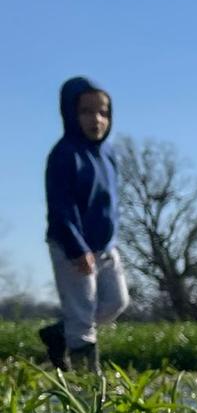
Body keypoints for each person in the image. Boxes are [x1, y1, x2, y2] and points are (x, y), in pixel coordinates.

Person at [41, 77, 129, 374]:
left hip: (105, 247)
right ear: (70, 113)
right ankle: (87, 384)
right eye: (87, 112)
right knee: (82, 317)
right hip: (72, 248)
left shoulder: (109, 155)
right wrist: (77, 248)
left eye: (103, 112)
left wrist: (110, 241)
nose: (96, 119)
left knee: (116, 302)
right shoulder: (65, 154)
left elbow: (110, 205)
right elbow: (60, 208)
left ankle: (58, 332)